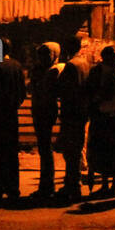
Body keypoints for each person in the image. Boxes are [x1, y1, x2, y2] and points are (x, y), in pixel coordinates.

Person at [0, 38, 26, 201]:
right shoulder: (17, 66)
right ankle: (12, 188)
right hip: (11, 115)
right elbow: (22, 92)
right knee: (10, 152)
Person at [88, 45, 115, 198]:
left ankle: (114, 185)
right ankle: (106, 184)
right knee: (104, 152)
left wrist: (99, 103)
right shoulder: (97, 72)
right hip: (104, 116)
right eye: (112, 56)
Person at [56, 37, 91, 203]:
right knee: (76, 149)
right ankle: (73, 184)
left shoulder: (71, 66)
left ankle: (73, 185)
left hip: (71, 112)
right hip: (82, 111)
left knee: (71, 151)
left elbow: (64, 89)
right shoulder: (85, 64)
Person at [29, 42, 63, 199]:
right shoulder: (40, 70)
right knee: (43, 148)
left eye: (46, 54)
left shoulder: (54, 70)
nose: (42, 58)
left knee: (45, 148)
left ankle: (47, 184)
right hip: (38, 109)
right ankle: (46, 184)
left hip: (46, 110)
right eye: (40, 54)